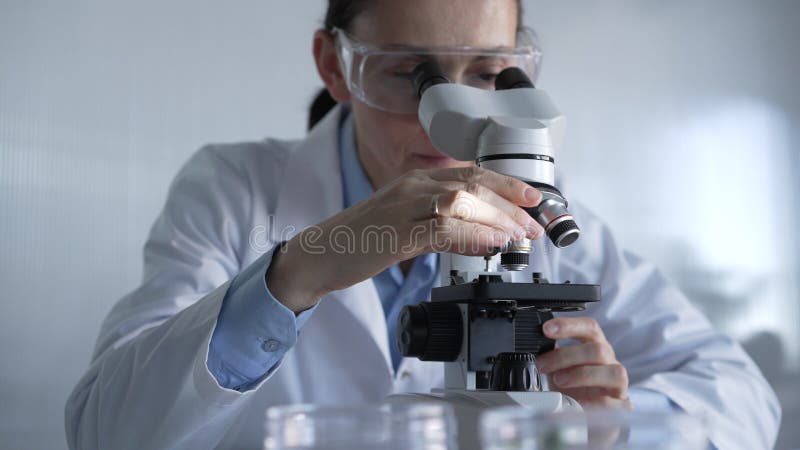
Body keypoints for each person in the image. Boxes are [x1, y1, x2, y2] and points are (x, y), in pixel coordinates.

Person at [64, 1, 781, 449]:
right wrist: (304, 268)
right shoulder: (235, 190)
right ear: (335, 67)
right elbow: (105, 431)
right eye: (414, 75)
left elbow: (741, 397)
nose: (453, 119)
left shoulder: (546, 212)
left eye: (488, 74)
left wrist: (610, 424)